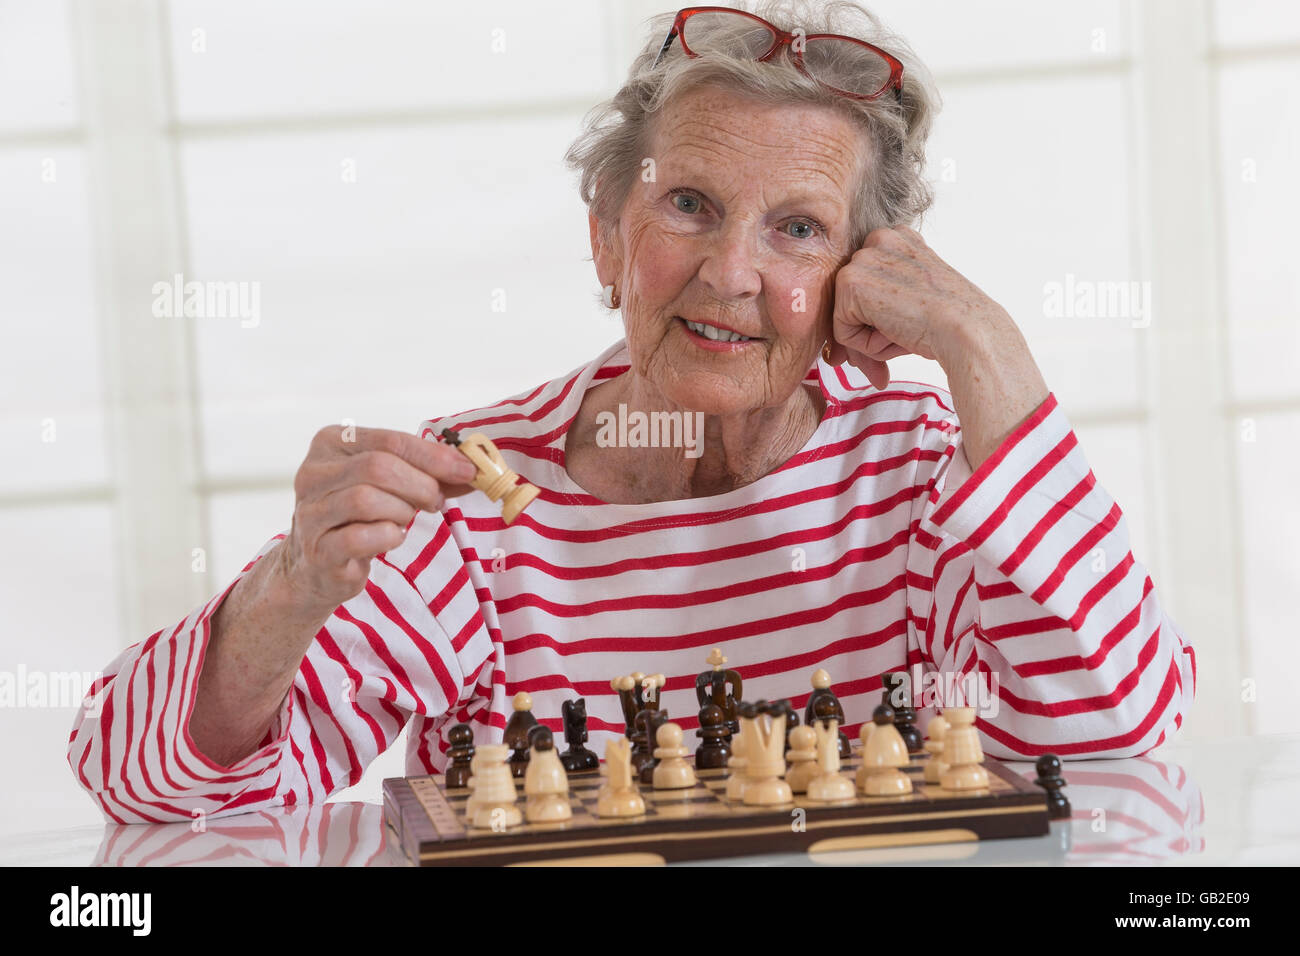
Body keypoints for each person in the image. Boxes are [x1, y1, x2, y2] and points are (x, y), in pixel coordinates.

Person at [68, 1, 1196, 825]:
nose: (730, 272)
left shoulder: (921, 472)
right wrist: (289, 588)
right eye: (689, 205)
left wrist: (990, 356)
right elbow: (141, 777)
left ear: (865, 271)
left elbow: (1119, 744)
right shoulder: (479, 496)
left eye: (797, 228)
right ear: (606, 235)